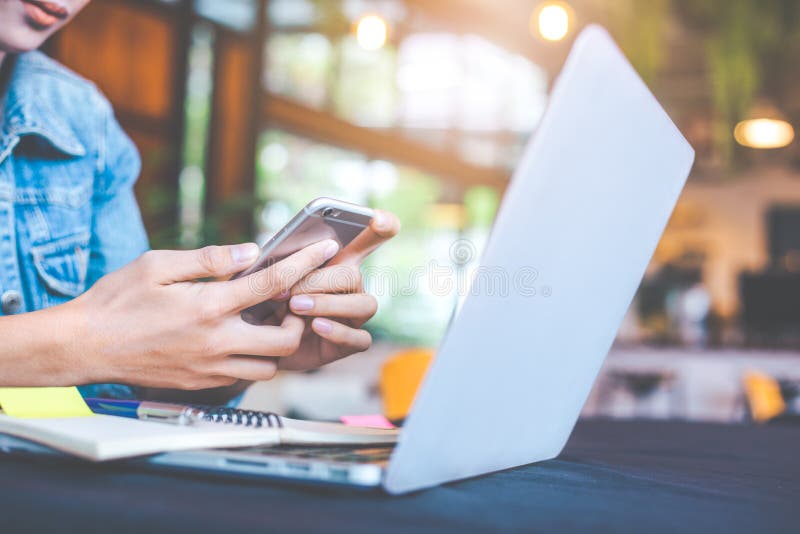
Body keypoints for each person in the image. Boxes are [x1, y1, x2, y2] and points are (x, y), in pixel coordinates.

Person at [0, 0, 399, 403]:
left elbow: (121, 385)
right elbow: (105, 345)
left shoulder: (83, 119)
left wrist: (242, 346)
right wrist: (86, 342)